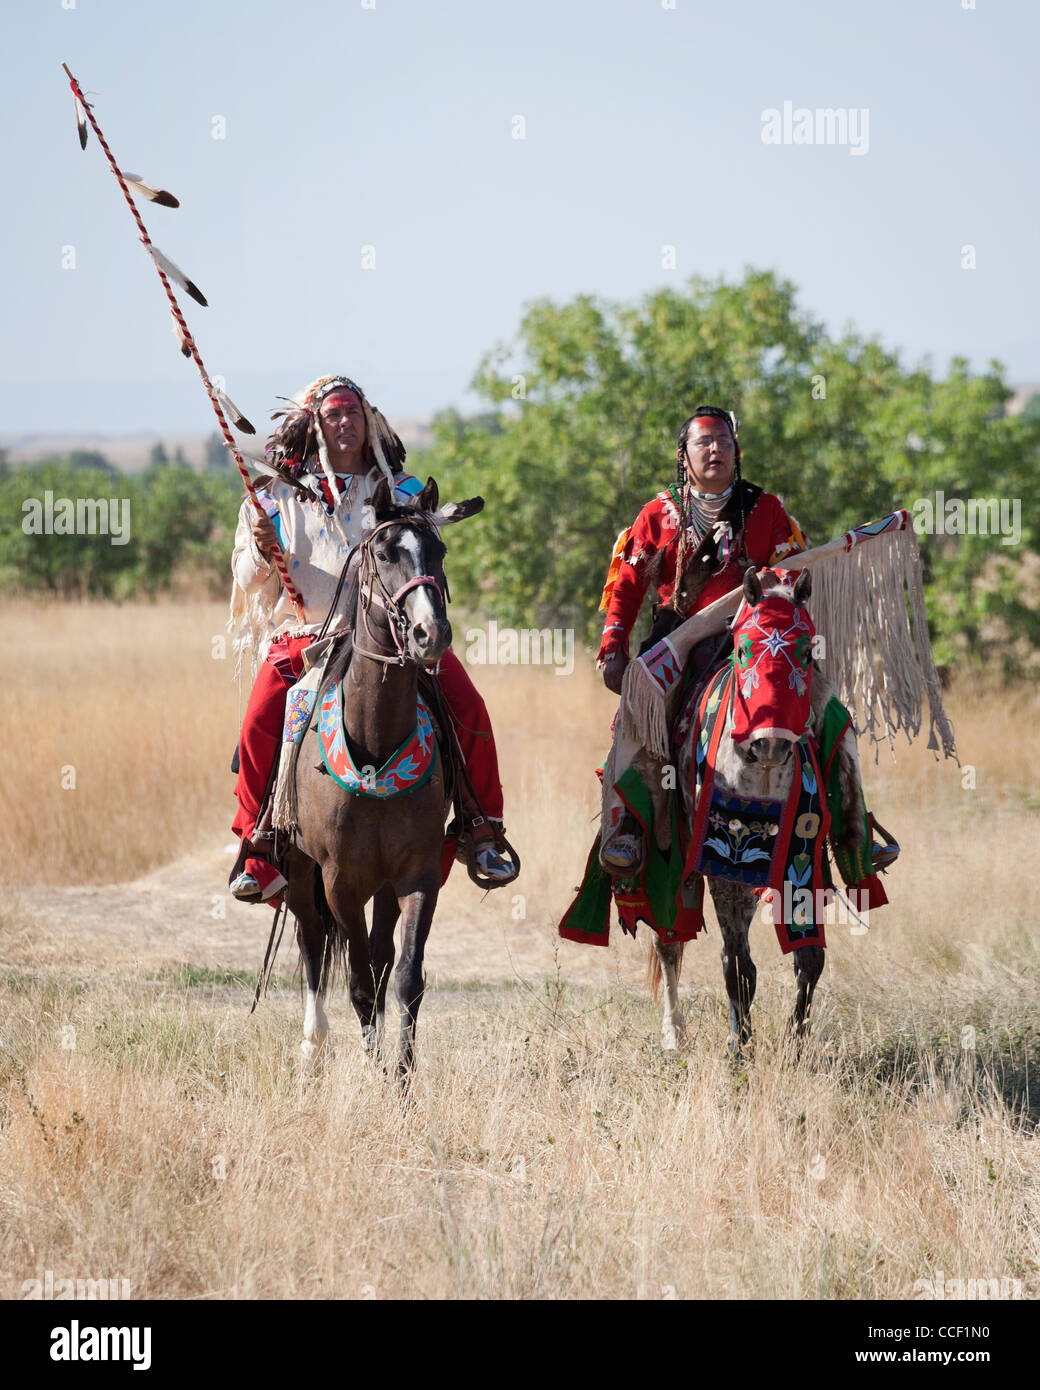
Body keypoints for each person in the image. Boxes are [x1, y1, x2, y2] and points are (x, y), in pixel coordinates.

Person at [227, 373, 514, 901]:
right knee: (259, 720)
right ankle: (258, 843)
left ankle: (482, 830)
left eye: (353, 412)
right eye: (333, 414)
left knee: (469, 706)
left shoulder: (400, 491)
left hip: (395, 640)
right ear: (314, 425)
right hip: (306, 637)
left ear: (370, 421)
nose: (345, 422)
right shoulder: (274, 500)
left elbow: (422, 554)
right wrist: (263, 551)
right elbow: (247, 583)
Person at [596, 406, 810, 871]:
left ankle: (850, 824)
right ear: (683, 454)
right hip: (679, 639)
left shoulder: (766, 509)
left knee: (825, 710)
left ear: (737, 450)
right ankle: (631, 826)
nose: (715, 449)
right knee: (639, 712)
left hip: (754, 639)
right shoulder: (658, 513)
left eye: (724, 441)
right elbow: (627, 587)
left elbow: (792, 579)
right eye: (704, 442)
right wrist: (613, 649)